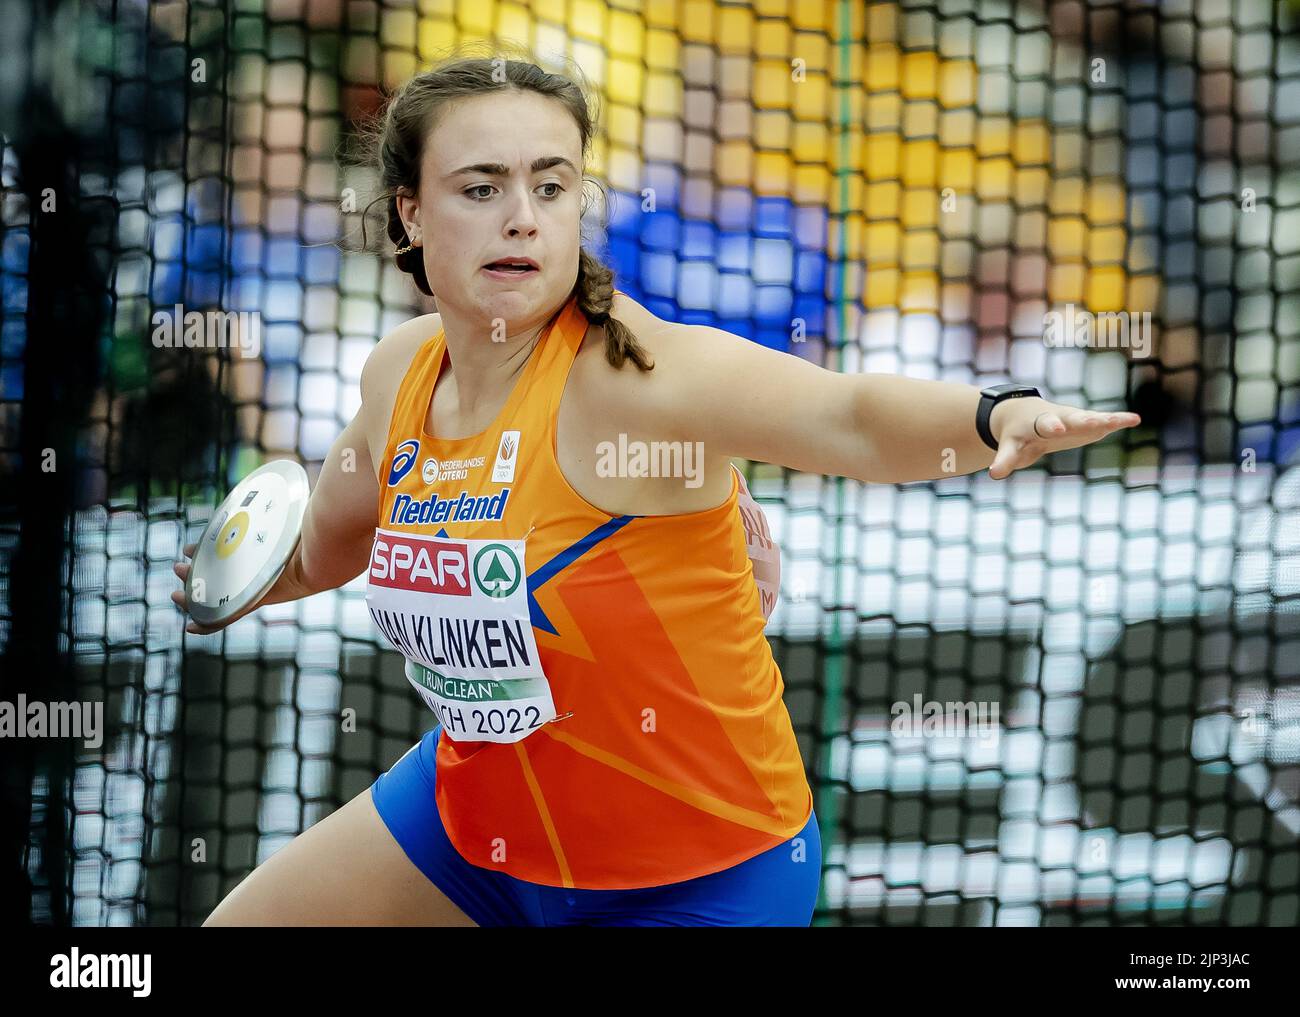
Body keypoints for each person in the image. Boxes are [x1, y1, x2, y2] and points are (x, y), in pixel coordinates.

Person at [177, 51, 1139, 927]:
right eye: (481, 187)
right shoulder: (400, 376)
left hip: (697, 869)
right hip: (478, 826)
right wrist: (238, 578)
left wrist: (994, 413)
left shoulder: (631, 382)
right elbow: (323, 549)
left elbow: (848, 417)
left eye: (550, 186)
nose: (522, 214)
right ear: (409, 213)